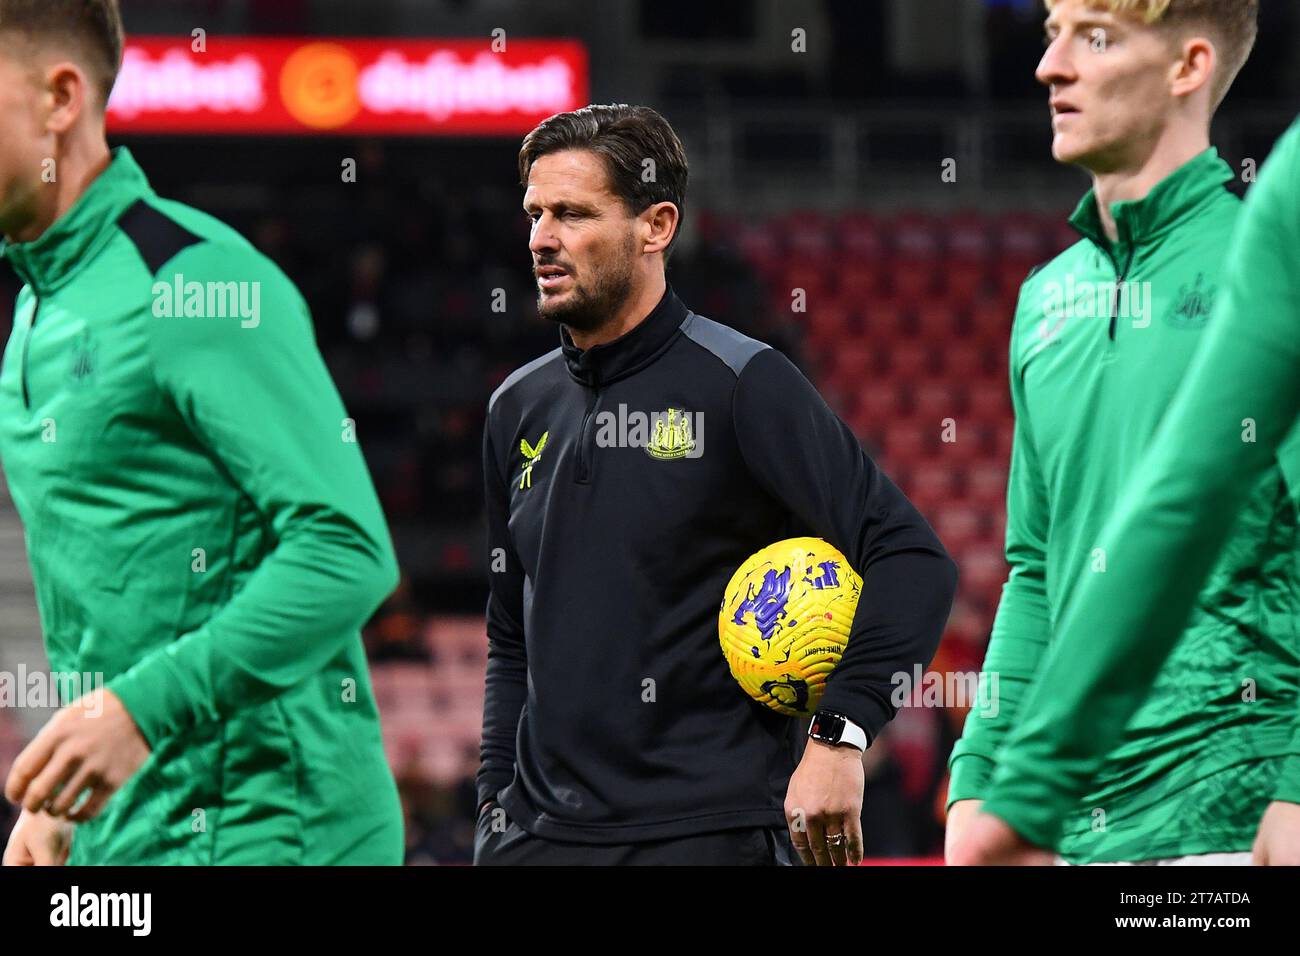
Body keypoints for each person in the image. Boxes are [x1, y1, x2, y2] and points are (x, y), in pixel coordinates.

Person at [475, 103, 957, 865]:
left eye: (572, 213)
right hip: (540, 843)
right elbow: (510, 635)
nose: (540, 237)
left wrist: (840, 737)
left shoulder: (744, 384)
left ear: (656, 225)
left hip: (710, 836)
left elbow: (912, 559)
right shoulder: (515, 407)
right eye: (535, 212)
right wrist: (494, 811)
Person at [0, 0, 403, 865]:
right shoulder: (40, 305)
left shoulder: (194, 282)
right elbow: (116, 590)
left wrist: (141, 711)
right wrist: (65, 803)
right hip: (130, 831)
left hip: (270, 828)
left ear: (61, 98)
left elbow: (346, 550)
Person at [945, 0, 1285, 866]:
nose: (1050, 66)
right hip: (1068, 830)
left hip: (1229, 822)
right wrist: (979, 773)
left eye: (1093, 37)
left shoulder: (1273, 268)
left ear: (1188, 66)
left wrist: (1293, 783)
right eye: (1051, 32)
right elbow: (1034, 567)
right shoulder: (1045, 301)